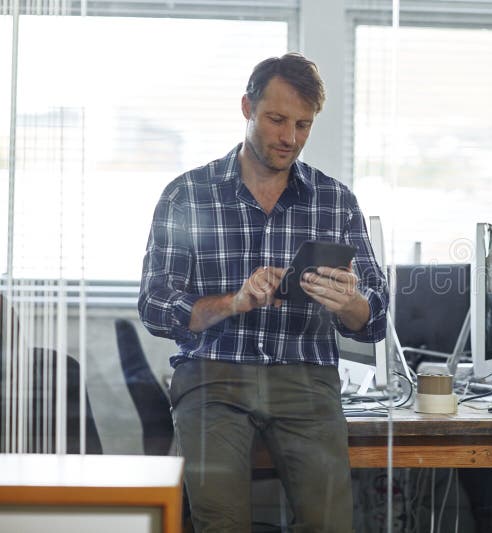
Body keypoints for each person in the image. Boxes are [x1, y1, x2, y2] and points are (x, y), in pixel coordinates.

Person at [138, 52, 388, 532]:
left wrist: (351, 304)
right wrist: (234, 302)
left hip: (305, 376)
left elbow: (374, 317)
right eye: (276, 119)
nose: (289, 138)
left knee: (331, 524)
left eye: (303, 124)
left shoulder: (335, 201)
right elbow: (154, 305)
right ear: (247, 108)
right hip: (212, 376)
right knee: (222, 523)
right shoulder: (187, 195)